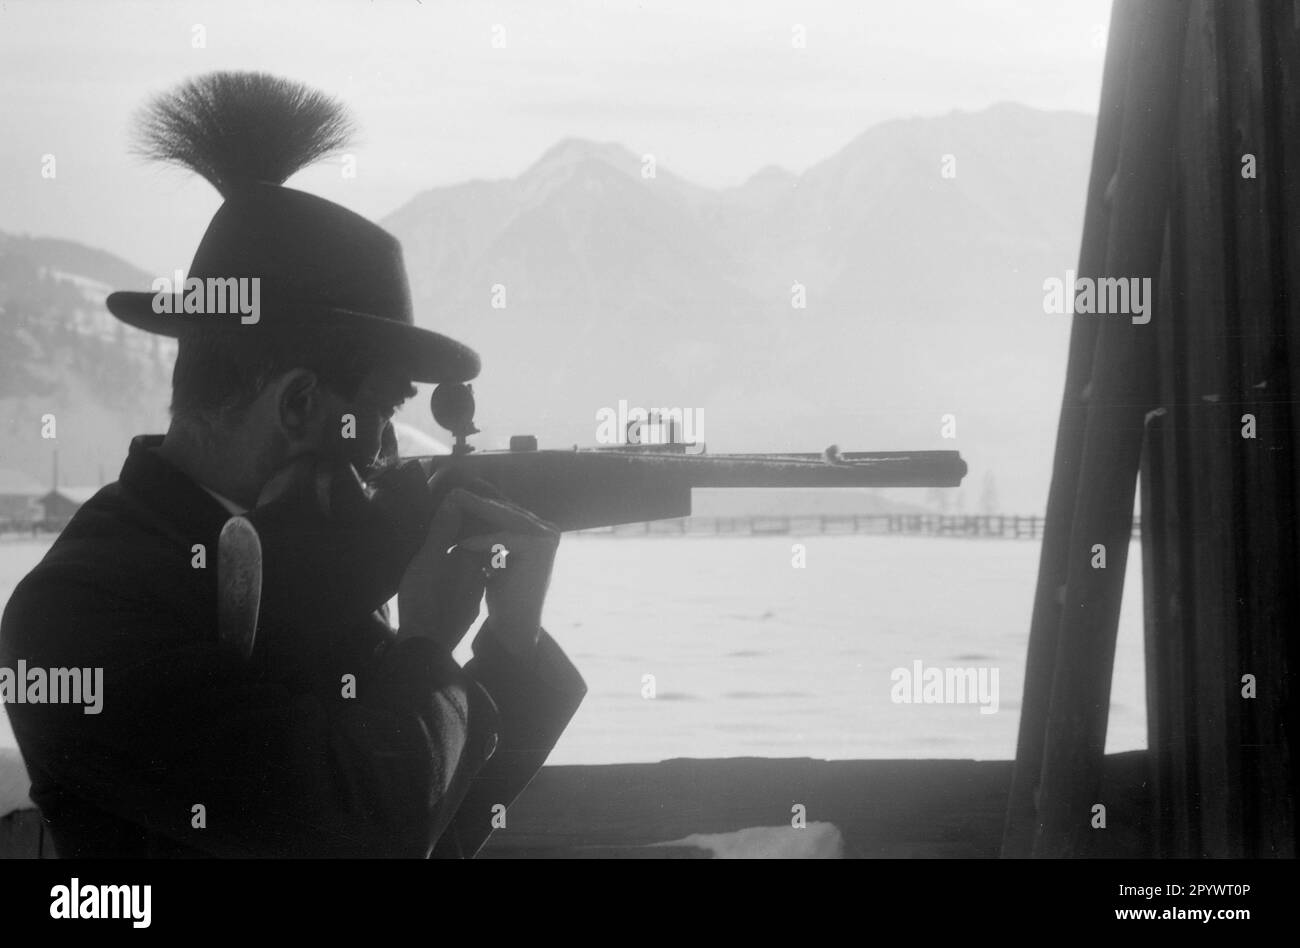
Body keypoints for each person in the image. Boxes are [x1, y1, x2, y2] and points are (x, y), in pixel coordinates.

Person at [0, 71, 585, 858]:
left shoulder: (300, 558)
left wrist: (509, 645)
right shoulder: (79, 612)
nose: (384, 450)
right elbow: (351, 835)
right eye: (383, 411)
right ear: (301, 404)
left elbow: (436, 829)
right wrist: (425, 643)